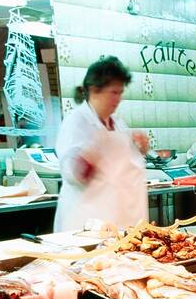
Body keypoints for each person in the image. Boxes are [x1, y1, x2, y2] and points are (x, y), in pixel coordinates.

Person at [54, 56, 150, 232]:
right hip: (84, 222)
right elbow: (72, 174)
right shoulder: (76, 122)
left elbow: (123, 168)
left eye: (120, 93)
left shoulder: (118, 123)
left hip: (118, 218)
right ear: (94, 89)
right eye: (114, 92)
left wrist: (139, 147)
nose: (118, 99)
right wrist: (91, 154)